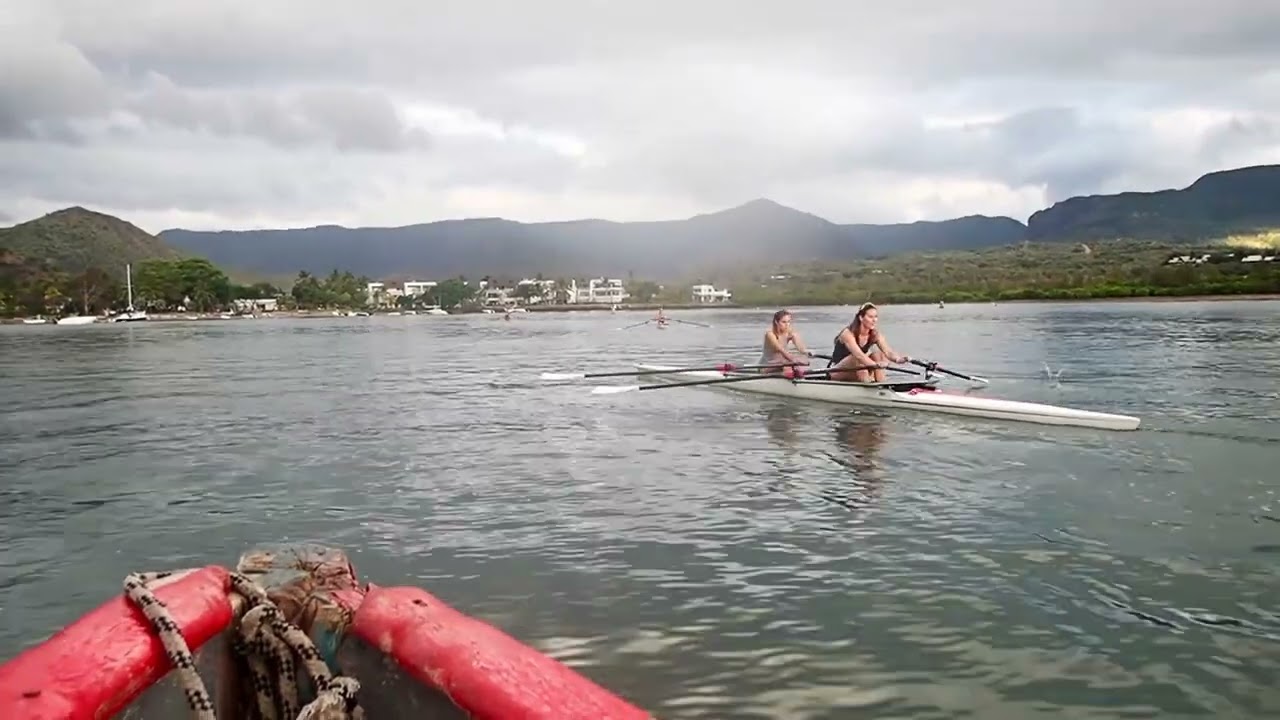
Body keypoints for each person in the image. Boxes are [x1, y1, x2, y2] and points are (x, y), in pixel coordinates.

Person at [827, 302, 909, 382]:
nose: (874, 320)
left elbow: (888, 352)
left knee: (877, 355)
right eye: (870, 317)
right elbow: (859, 356)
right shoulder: (847, 334)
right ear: (861, 318)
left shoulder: (875, 334)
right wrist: (875, 365)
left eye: (876, 317)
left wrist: (899, 359)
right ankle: (868, 385)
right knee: (857, 359)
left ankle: (883, 385)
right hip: (837, 372)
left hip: (858, 369)